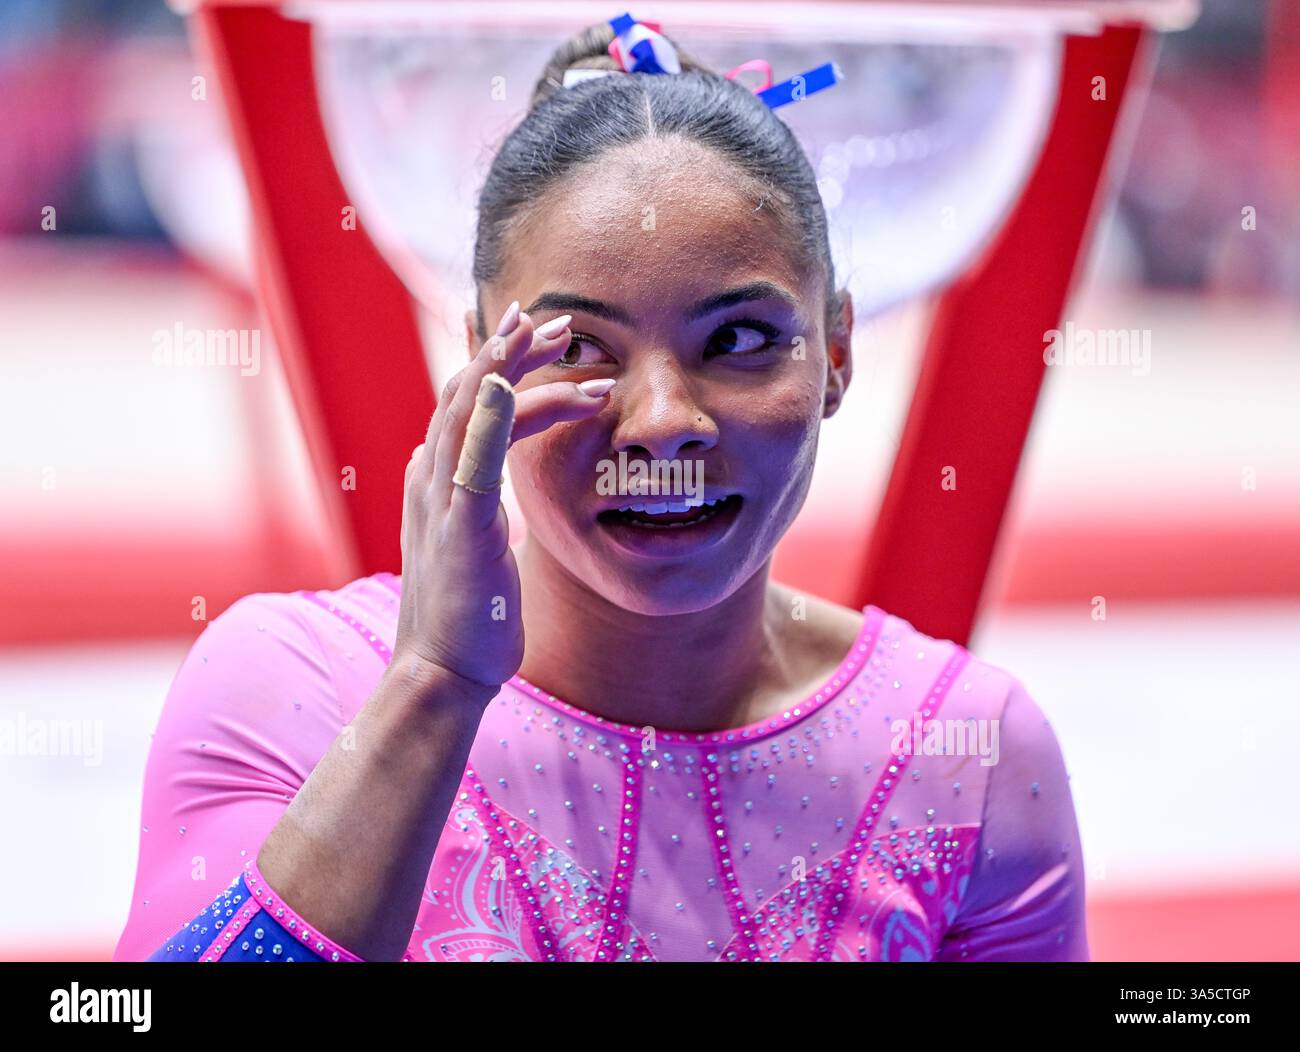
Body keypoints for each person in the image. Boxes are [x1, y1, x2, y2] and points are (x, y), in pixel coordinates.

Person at [113, 15, 1088, 963]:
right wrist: (432, 691)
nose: (662, 417)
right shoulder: (292, 689)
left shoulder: (968, 751)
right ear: (482, 360)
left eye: (738, 339)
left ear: (834, 349)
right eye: (578, 348)